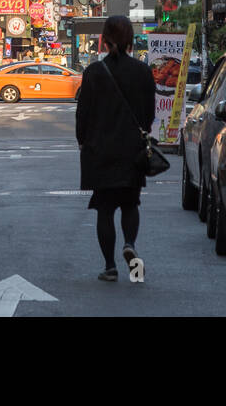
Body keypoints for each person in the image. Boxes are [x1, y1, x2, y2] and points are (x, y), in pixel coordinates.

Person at [75, 15, 155, 283]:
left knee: (105, 208)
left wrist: (83, 141)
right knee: (130, 203)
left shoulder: (94, 73)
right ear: (131, 41)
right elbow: (149, 114)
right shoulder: (143, 72)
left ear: (105, 41)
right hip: (132, 150)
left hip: (100, 151)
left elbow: (82, 114)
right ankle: (129, 243)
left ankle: (110, 267)